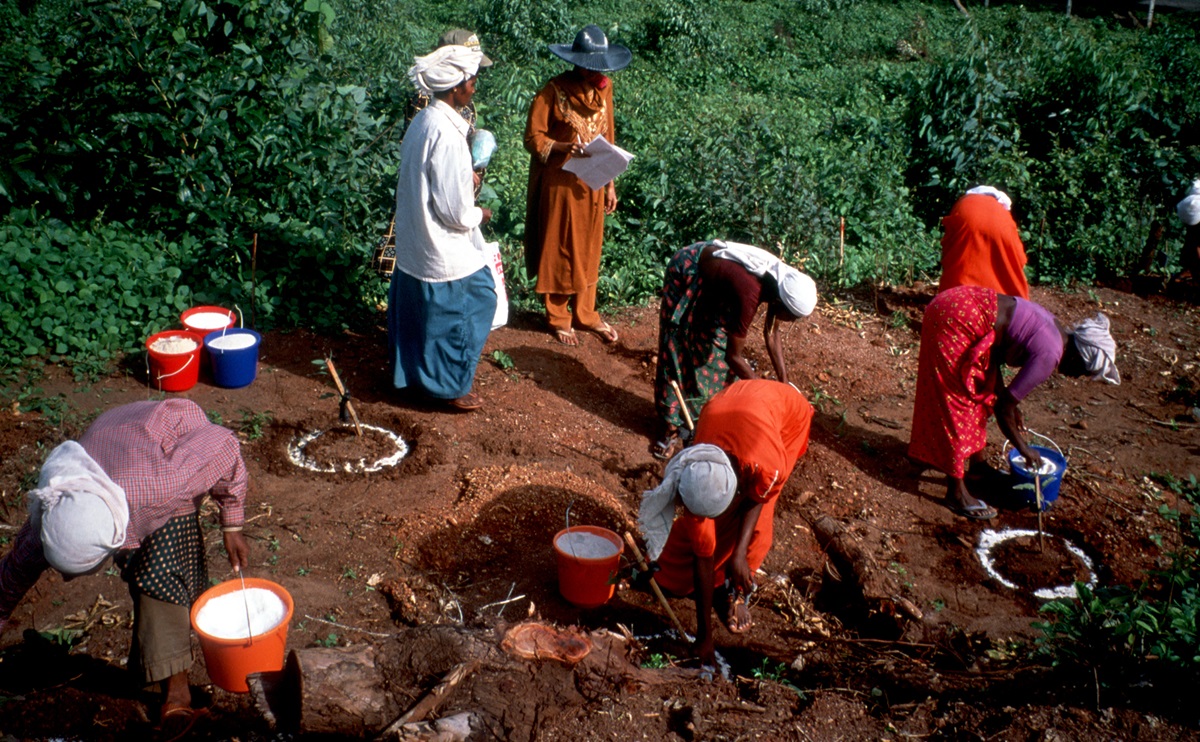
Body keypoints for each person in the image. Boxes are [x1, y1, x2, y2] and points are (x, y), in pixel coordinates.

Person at [0, 400, 249, 737]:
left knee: (160, 571)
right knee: (147, 566)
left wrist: (232, 523)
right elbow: (11, 578)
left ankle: (176, 694)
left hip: (171, 439)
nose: (67, 580)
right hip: (113, 444)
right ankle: (153, 665)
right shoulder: (55, 513)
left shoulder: (163, 487)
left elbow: (222, 443)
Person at [639, 380, 813, 667]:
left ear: (736, 485)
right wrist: (704, 637)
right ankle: (694, 575)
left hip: (786, 418)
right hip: (725, 409)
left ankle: (737, 592)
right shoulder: (698, 472)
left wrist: (739, 554)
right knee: (704, 532)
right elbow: (703, 554)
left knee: (758, 523)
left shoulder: (768, 464)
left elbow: (758, 498)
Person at [908, 285, 1120, 520]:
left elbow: (996, 354)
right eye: (1083, 371)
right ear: (1078, 356)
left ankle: (977, 469)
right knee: (957, 403)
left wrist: (1009, 401)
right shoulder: (1049, 355)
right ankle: (956, 493)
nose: (1078, 377)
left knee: (982, 390)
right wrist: (1023, 448)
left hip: (962, 303)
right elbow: (1003, 408)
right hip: (956, 319)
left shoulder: (1056, 330)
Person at [389, 42, 497, 412]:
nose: (474, 88)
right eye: (472, 82)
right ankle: (449, 386)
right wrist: (480, 214)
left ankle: (413, 376)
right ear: (457, 88)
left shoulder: (423, 121)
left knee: (419, 315)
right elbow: (454, 213)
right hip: (440, 246)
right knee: (479, 298)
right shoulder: (449, 137)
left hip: (415, 242)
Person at [654, 240, 817, 460]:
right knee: (676, 345)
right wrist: (765, 392)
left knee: (711, 355)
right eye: (793, 317)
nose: (793, 322)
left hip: (720, 286)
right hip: (689, 270)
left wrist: (784, 384)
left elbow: (771, 333)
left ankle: (703, 420)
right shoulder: (750, 292)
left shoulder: (779, 284)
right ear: (780, 303)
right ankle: (670, 428)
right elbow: (733, 356)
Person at [523, 24, 630, 347]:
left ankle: (585, 313)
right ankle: (558, 316)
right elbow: (533, 138)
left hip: (592, 180)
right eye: (588, 67)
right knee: (560, 245)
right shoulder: (552, 91)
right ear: (575, 62)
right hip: (560, 182)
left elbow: (608, 136)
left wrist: (610, 183)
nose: (594, 73)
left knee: (588, 246)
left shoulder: (604, 89)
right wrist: (561, 147)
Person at [938, 186, 1030, 299]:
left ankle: (955, 296)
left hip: (965, 214)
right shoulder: (1001, 211)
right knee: (1008, 261)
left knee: (960, 255)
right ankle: (1001, 299)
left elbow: (949, 245)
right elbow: (1019, 259)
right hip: (1002, 225)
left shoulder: (966, 201)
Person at [1176, 179, 1200, 280]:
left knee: (1194, 240)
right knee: (1194, 240)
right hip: (1193, 209)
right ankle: (1192, 269)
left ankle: (1192, 269)